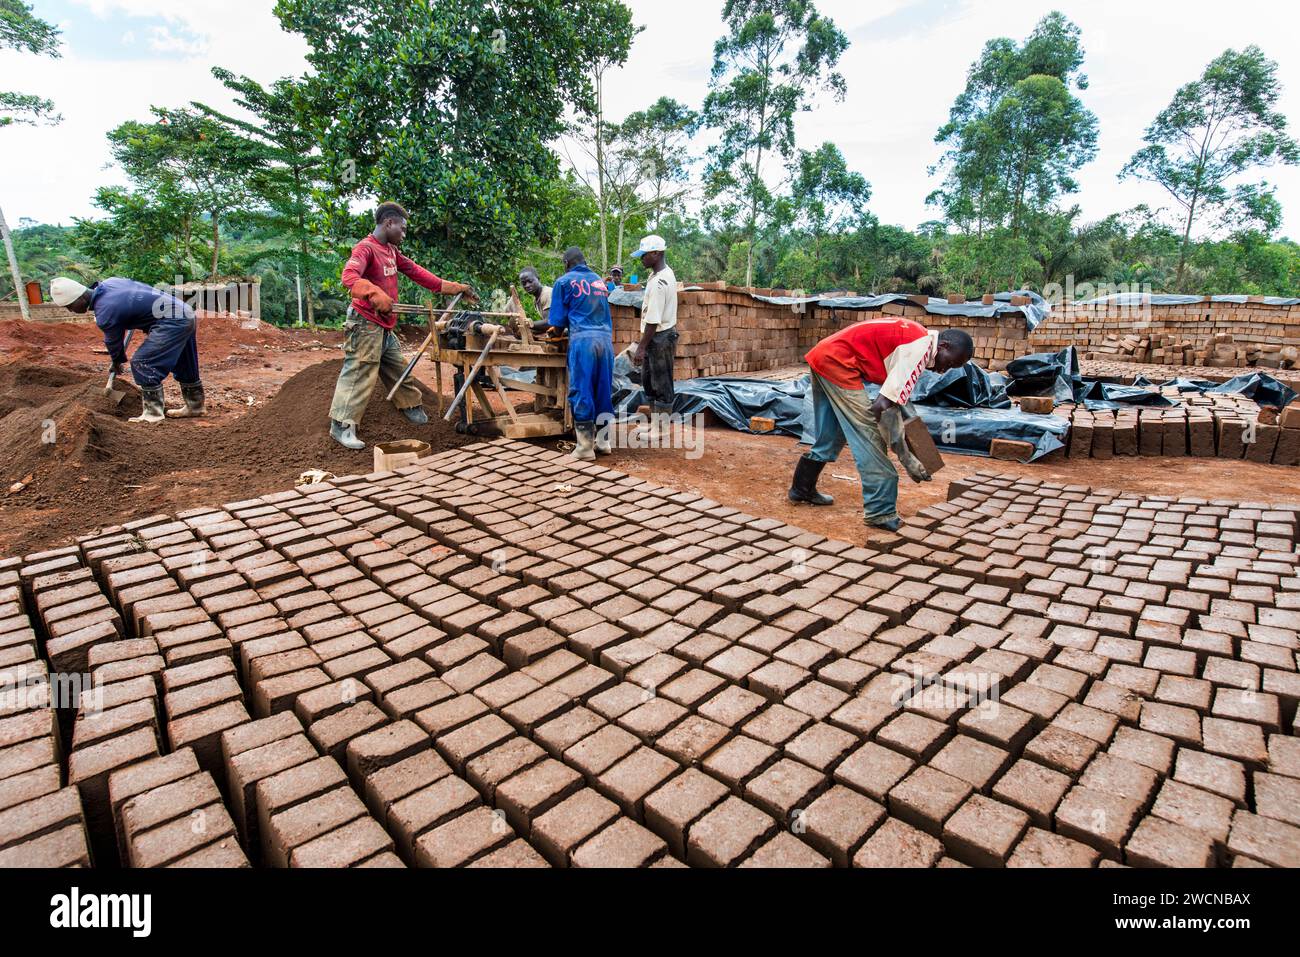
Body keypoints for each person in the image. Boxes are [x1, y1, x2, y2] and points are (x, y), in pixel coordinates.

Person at [791, 319, 974, 532]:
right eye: (949, 363)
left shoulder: (917, 337)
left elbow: (901, 402)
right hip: (838, 363)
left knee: (832, 432)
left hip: (825, 355)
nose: (943, 371)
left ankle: (802, 488)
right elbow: (881, 407)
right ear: (943, 346)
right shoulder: (919, 350)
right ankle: (880, 512)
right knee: (869, 436)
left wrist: (919, 448)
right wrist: (906, 458)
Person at [328, 201, 477, 450]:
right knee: (361, 369)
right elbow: (349, 277)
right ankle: (341, 425)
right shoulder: (365, 248)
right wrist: (374, 292)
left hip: (384, 325)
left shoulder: (391, 251)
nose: (404, 234)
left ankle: (411, 406)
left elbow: (418, 272)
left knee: (398, 367)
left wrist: (455, 287)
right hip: (365, 323)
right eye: (403, 228)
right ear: (389, 223)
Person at [51, 276, 205, 424]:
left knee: (143, 362)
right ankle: (195, 406)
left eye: (69, 306)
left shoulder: (105, 311)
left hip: (173, 321)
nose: (70, 311)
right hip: (184, 312)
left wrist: (117, 361)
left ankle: (153, 414)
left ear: (80, 298)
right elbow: (138, 288)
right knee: (185, 361)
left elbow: (113, 341)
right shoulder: (111, 283)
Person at [531, 247, 614, 461]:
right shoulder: (599, 282)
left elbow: (557, 322)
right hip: (606, 342)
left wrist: (555, 332)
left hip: (583, 342)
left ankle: (585, 447)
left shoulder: (564, 282)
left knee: (582, 389)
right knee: (603, 389)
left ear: (566, 263)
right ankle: (603, 442)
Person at [628, 235, 678, 420]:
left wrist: (641, 347)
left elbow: (653, 320)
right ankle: (655, 423)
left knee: (661, 384)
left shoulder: (659, 282)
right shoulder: (657, 275)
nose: (642, 258)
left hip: (660, 338)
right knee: (649, 381)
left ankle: (661, 427)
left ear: (656, 253)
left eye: (644, 254)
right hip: (656, 337)